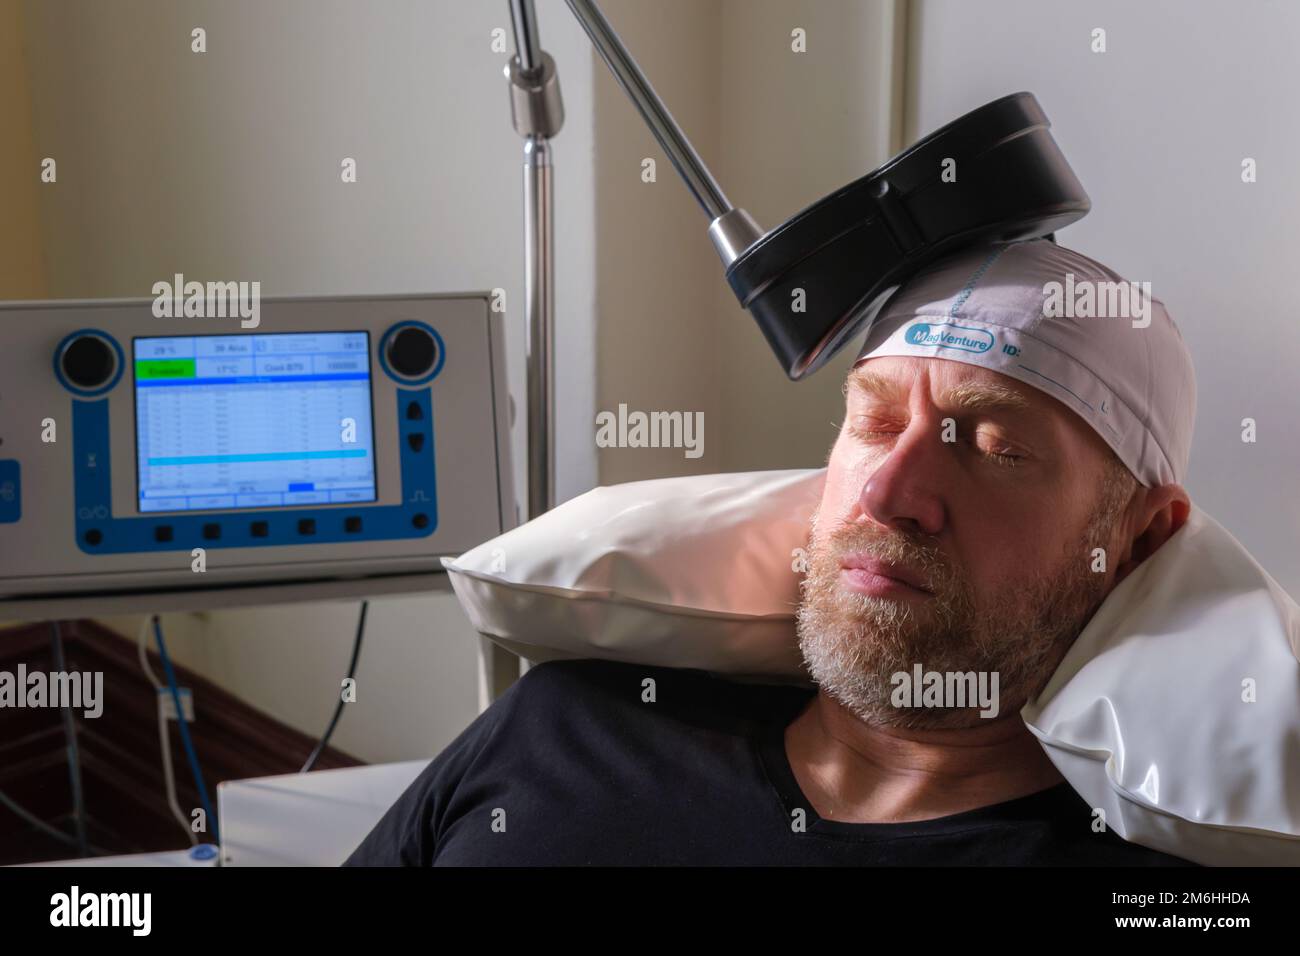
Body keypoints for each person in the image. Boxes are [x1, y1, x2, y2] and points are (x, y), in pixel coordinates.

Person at [345, 238, 1198, 866]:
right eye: (876, 423)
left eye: (995, 448)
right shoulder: (563, 726)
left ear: (1137, 539)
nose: (888, 495)